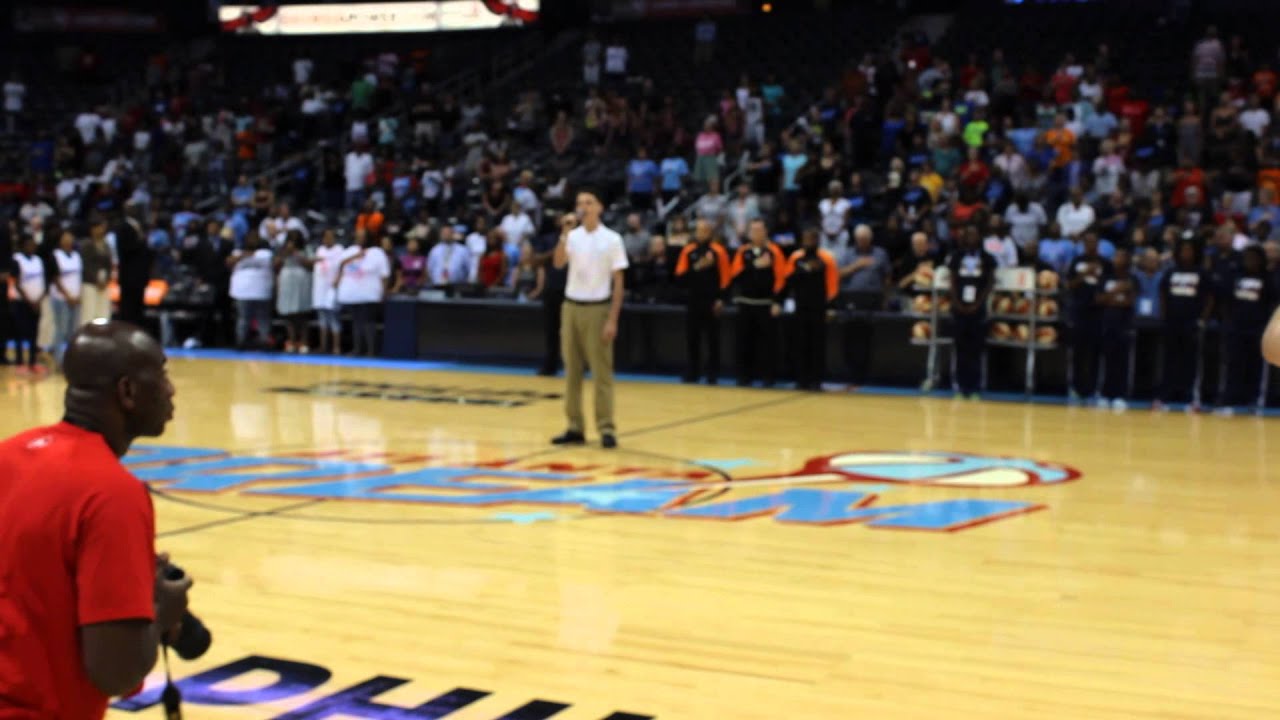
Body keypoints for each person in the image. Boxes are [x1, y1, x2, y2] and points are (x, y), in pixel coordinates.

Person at [0, 321, 190, 719]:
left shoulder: (10, 453)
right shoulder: (112, 493)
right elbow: (114, 672)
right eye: (161, 375)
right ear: (128, 392)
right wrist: (162, 612)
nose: (171, 389)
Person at [551, 190, 627, 449]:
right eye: (580, 203)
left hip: (598, 308)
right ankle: (575, 426)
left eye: (589, 202)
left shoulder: (612, 239)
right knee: (572, 371)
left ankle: (606, 427)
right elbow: (558, 263)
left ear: (600, 207)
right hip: (571, 306)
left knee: (601, 372)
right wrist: (564, 233)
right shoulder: (572, 236)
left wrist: (612, 319)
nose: (583, 207)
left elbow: (619, 282)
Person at [1217, 245, 1275, 415]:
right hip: (1236, 327)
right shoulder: (1235, 276)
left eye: (1253, 258)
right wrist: (1228, 321)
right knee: (1234, 364)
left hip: (1257, 329)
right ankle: (1231, 398)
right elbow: (1225, 300)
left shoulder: (1268, 279)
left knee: (1254, 366)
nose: (1250, 261)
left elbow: (1271, 303)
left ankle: (1253, 399)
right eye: (1247, 257)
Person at [1156, 239, 1213, 411]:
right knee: (1169, 360)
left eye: (1189, 249)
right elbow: (1162, 294)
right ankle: (1165, 396)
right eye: (1183, 249)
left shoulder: (1201, 273)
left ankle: (1191, 398)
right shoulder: (1171, 272)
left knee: (1191, 361)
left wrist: (1203, 319)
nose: (1186, 253)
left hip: (1192, 323)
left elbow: (1210, 298)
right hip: (1172, 322)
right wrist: (1164, 316)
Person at [731, 218, 786, 387]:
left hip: (765, 304)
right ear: (749, 233)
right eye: (753, 230)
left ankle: (768, 378)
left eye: (759, 230)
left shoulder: (774, 251)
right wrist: (754, 265)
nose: (756, 233)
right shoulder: (743, 252)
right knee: (744, 342)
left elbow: (781, 279)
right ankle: (744, 377)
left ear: (766, 232)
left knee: (768, 345)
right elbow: (735, 275)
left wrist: (777, 301)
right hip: (746, 302)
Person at [675, 218, 731, 384]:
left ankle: (712, 374)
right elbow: (680, 277)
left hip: (712, 300)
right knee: (693, 338)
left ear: (710, 232)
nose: (702, 233)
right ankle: (693, 371)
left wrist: (722, 298)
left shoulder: (719, 251)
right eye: (699, 230)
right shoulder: (688, 251)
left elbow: (726, 278)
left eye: (705, 230)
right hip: (693, 300)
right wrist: (698, 267)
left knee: (713, 338)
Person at [783, 228, 838, 391]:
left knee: (817, 344)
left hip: (819, 307)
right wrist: (804, 269)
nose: (809, 242)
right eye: (806, 239)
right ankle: (801, 380)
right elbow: (788, 280)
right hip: (801, 306)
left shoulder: (826, 258)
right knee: (800, 343)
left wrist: (830, 306)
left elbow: (832, 284)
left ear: (817, 241)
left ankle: (816, 381)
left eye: (812, 239)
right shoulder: (796, 258)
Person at [948, 226, 997, 399]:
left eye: (974, 234)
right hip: (959, 308)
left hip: (978, 309)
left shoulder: (987, 258)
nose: (971, 238)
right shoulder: (956, 256)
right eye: (968, 234)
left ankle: (975, 387)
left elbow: (990, 283)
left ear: (980, 237)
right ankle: (960, 386)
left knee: (976, 349)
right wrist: (956, 302)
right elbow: (952, 281)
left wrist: (978, 303)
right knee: (960, 347)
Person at [1066, 232, 1112, 402]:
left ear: (1098, 244)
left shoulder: (1106, 264)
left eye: (1094, 242)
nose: (1091, 245)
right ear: (1084, 244)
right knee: (1078, 352)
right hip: (1079, 311)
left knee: (1096, 352)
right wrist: (1084, 274)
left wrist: (1098, 277)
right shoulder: (1077, 261)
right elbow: (1069, 285)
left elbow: (1110, 286)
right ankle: (1076, 387)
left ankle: (1093, 388)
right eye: (1088, 242)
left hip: (1099, 312)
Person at [336, 228, 391, 357]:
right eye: (358, 236)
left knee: (369, 322)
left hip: (370, 295)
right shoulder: (350, 251)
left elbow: (385, 275)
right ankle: (357, 349)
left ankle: (371, 351)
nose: (359, 238)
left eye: (362, 236)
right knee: (356, 322)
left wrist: (384, 291)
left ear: (368, 237)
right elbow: (341, 267)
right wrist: (355, 256)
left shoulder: (377, 253)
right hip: (352, 295)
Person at [1095, 249, 1137, 411]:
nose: (1116, 259)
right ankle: (1105, 394)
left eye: (1120, 256)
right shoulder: (1106, 278)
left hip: (1125, 325)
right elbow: (1099, 299)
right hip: (1107, 324)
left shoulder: (1132, 279)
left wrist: (1110, 299)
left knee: (1123, 362)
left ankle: (1120, 395)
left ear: (1127, 260)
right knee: (1106, 361)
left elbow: (1129, 302)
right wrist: (1117, 291)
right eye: (1115, 256)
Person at [227, 232, 274, 350]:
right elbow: (228, 262)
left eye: (255, 238)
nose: (252, 240)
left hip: (262, 290)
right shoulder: (237, 252)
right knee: (243, 318)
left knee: (263, 318)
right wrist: (240, 256)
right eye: (250, 238)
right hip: (243, 291)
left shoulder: (266, 253)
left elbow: (275, 262)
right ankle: (241, 341)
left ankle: (264, 341)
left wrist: (247, 255)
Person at [11, 233, 46, 373]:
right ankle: (20, 361)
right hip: (21, 302)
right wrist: (29, 300)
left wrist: (39, 299)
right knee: (20, 332)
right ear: (22, 246)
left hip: (37, 302)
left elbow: (43, 282)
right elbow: (17, 283)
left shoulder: (38, 260)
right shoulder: (17, 259)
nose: (31, 247)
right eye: (28, 244)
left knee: (34, 332)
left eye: (33, 245)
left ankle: (32, 361)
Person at [113, 204, 151, 328]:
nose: (135, 210)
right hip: (129, 275)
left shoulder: (140, 226)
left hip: (140, 275)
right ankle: (125, 331)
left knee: (138, 307)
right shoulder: (122, 227)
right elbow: (124, 249)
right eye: (131, 207)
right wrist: (141, 243)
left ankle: (137, 330)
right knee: (127, 307)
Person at [275, 231, 314, 353]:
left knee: (302, 313)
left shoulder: (306, 248)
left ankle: (303, 342)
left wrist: (296, 254)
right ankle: (291, 341)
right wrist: (285, 253)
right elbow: (276, 265)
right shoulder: (283, 249)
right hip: (287, 280)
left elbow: (311, 265)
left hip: (301, 279)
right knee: (289, 313)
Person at [49, 230, 83, 368]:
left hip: (76, 298)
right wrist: (67, 295)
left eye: (70, 237)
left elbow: (80, 277)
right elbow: (55, 278)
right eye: (65, 237)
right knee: (61, 329)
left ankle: (71, 359)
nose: (68, 240)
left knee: (73, 331)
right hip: (61, 298)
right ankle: (58, 360)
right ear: (60, 240)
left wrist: (78, 295)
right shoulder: (55, 255)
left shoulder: (76, 255)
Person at [312, 229, 345, 354]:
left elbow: (342, 266)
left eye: (330, 237)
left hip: (332, 288)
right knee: (322, 319)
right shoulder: (320, 250)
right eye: (325, 237)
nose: (327, 239)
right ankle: (323, 346)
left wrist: (339, 279)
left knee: (334, 318)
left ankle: (336, 347)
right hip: (320, 288)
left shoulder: (339, 249)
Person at [79, 218, 115, 325]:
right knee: (89, 312)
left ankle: (102, 333)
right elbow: (85, 265)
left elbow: (109, 265)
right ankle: (87, 334)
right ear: (92, 229)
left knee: (103, 312)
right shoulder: (86, 244)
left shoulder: (106, 245)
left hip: (104, 283)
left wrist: (107, 279)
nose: (101, 230)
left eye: (102, 227)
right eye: (98, 227)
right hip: (90, 283)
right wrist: (95, 279)